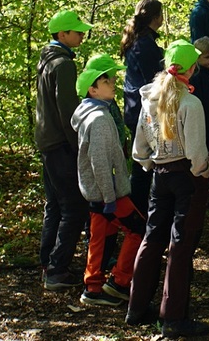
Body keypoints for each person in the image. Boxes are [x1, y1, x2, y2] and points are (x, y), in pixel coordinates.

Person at [127, 40, 209, 338]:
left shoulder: (149, 98)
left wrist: (152, 165)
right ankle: (173, 317)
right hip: (185, 177)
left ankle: (136, 307)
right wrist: (203, 173)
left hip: (158, 176)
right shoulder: (190, 103)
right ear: (192, 68)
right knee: (180, 245)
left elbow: (139, 148)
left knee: (152, 238)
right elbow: (197, 153)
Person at [72, 56, 145, 307]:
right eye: (106, 81)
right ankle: (119, 282)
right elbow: (100, 162)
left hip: (99, 192)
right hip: (107, 193)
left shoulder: (92, 114)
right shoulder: (99, 120)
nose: (113, 84)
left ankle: (93, 287)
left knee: (99, 238)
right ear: (93, 89)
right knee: (138, 230)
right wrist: (110, 198)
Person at [36, 9, 91, 292]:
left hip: (47, 142)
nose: (82, 34)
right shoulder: (63, 64)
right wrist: (78, 144)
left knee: (55, 205)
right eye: (77, 31)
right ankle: (57, 269)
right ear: (62, 35)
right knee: (74, 206)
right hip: (60, 144)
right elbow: (68, 110)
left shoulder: (46, 60)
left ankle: (48, 260)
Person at [121, 0, 165, 217]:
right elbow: (153, 81)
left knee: (143, 162)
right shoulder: (144, 44)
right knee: (143, 164)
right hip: (142, 111)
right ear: (156, 17)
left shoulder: (139, 40)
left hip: (134, 108)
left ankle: (140, 210)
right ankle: (137, 213)